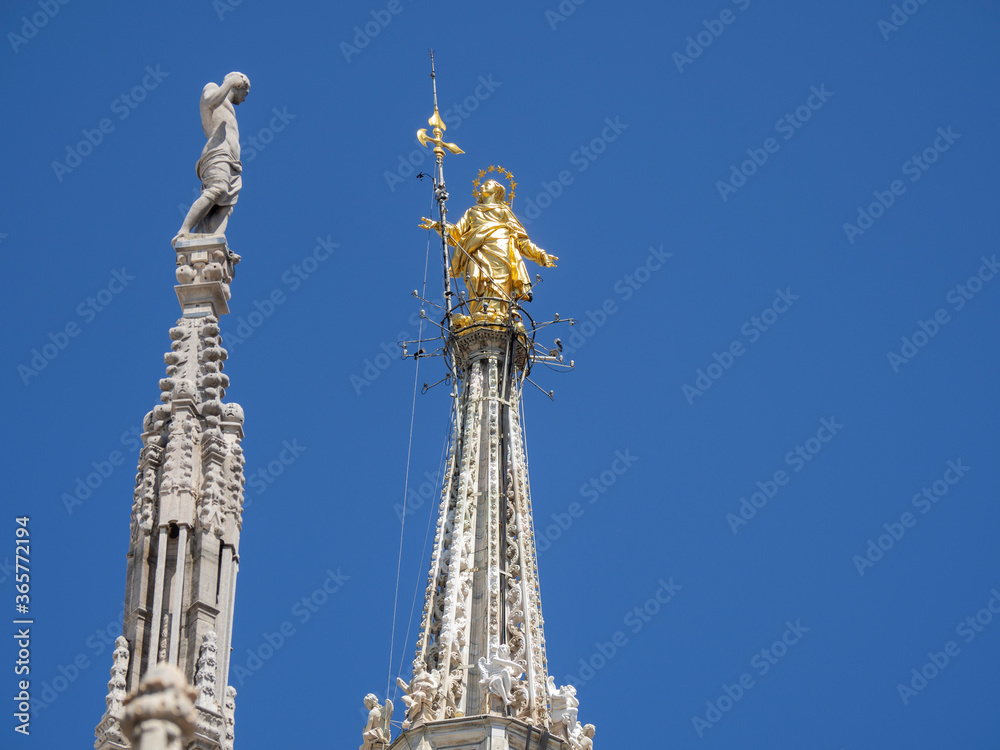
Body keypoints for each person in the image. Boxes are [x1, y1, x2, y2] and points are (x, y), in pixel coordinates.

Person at [420, 180, 557, 320]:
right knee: (474, 278)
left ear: (497, 190)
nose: (482, 185)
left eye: (488, 184)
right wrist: (438, 225)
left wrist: (541, 255)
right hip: (475, 250)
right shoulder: (472, 211)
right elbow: (455, 233)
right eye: (483, 184)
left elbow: (521, 241)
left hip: (500, 250)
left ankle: (498, 314)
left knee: (499, 282)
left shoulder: (504, 211)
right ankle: (478, 314)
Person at [175, 72, 250, 241]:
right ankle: (183, 231)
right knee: (217, 190)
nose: (244, 99)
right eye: (246, 92)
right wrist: (229, 82)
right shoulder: (213, 88)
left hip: (233, 161)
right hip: (218, 152)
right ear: (240, 85)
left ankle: (215, 240)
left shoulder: (228, 107)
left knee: (226, 206)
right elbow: (210, 101)